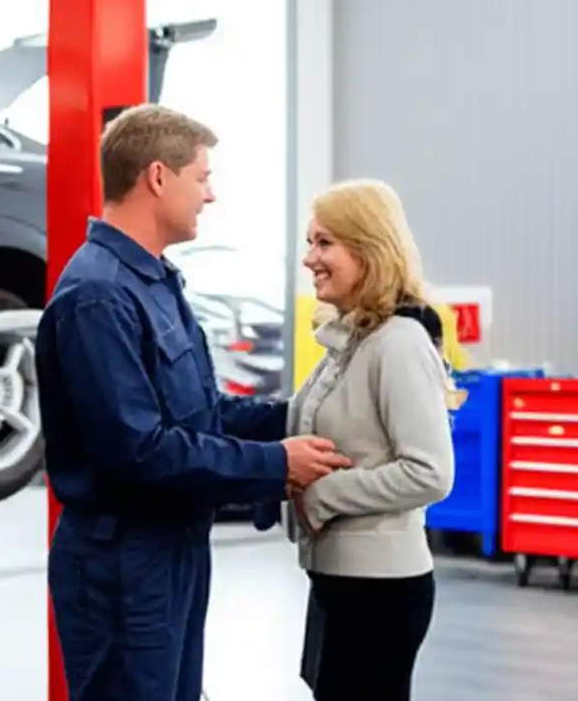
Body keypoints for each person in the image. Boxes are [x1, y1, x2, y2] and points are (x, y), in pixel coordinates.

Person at [36, 103, 352, 701]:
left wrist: (302, 417)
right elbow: (140, 451)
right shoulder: (98, 297)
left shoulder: (154, 280)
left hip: (170, 549)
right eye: (202, 178)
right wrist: (275, 464)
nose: (210, 195)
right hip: (122, 565)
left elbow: (201, 414)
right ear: (158, 177)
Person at [285, 178, 458, 701]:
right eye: (310, 242)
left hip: (379, 588)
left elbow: (430, 471)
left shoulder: (398, 343)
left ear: (368, 250)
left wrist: (323, 496)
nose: (310, 258)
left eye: (325, 244)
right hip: (337, 578)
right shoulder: (353, 339)